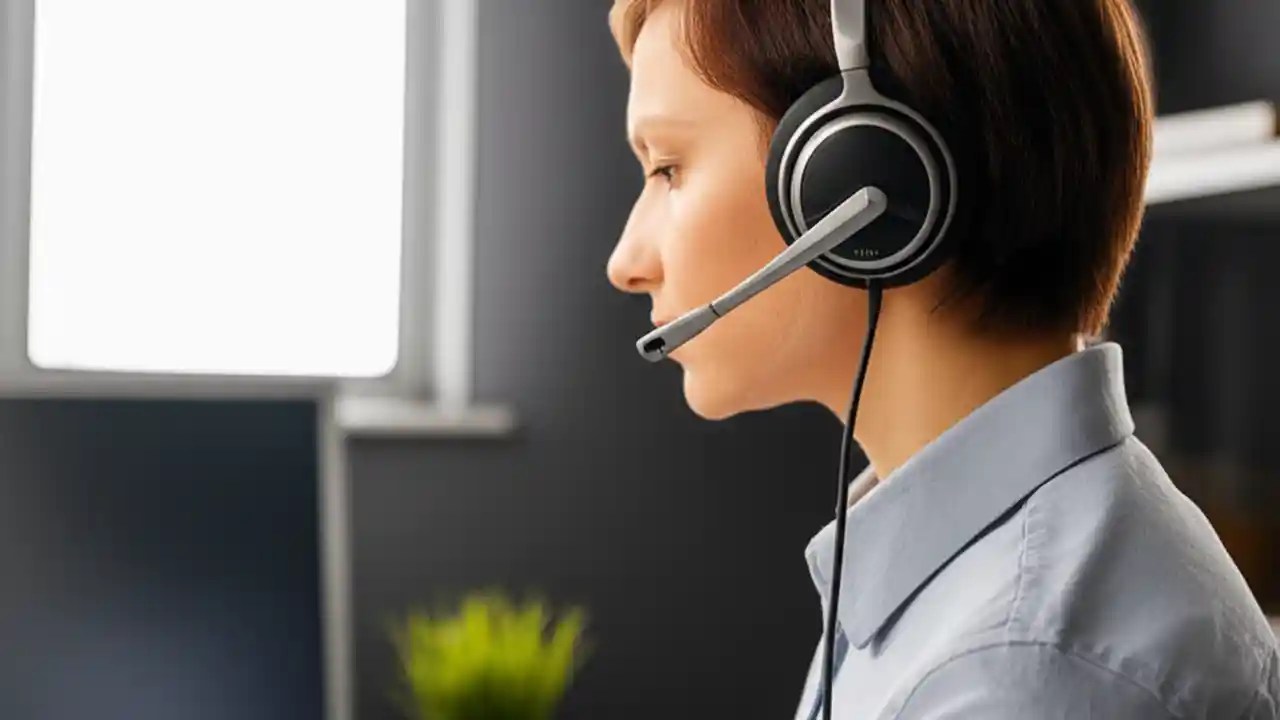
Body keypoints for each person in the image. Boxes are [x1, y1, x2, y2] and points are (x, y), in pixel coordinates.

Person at [604, 1, 1280, 718]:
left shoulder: (1018, 674)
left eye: (669, 169)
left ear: (857, 180)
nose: (626, 261)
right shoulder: (963, 588)